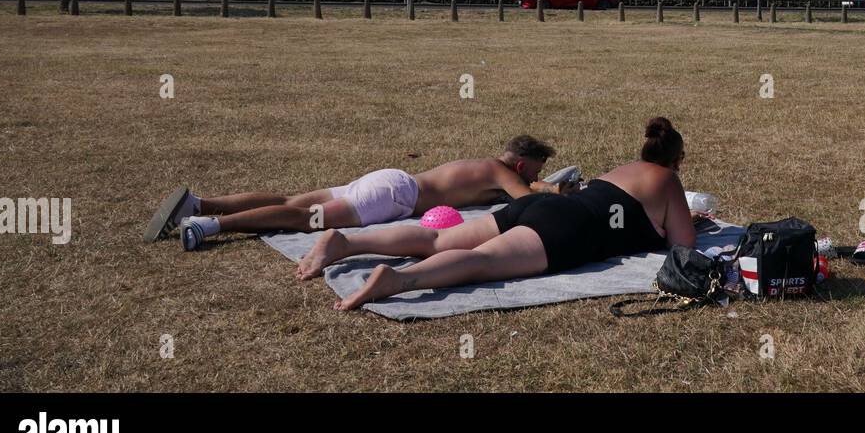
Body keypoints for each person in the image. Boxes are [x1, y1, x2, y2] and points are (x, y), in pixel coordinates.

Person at [298, 117, 697, 311]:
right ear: (675, 160)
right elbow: (683, 246)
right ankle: (398, 280)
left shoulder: (623, 170)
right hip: (568, 229)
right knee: (481, 262)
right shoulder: (667, 180)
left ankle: (346, 242)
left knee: (435, 239)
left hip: (541, 206)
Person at [142, 136, 567, 250]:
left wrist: (545, 183)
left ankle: (200, 203)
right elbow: (526, 200)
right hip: (392, 198)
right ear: (521, 164)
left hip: (390, 179)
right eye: (535, 170)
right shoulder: (500, 172)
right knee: (302, 219)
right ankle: (209, 225)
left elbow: (512, 190)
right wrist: (552, 190)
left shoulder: (485, 168)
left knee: (293, 201)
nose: (533, 176)